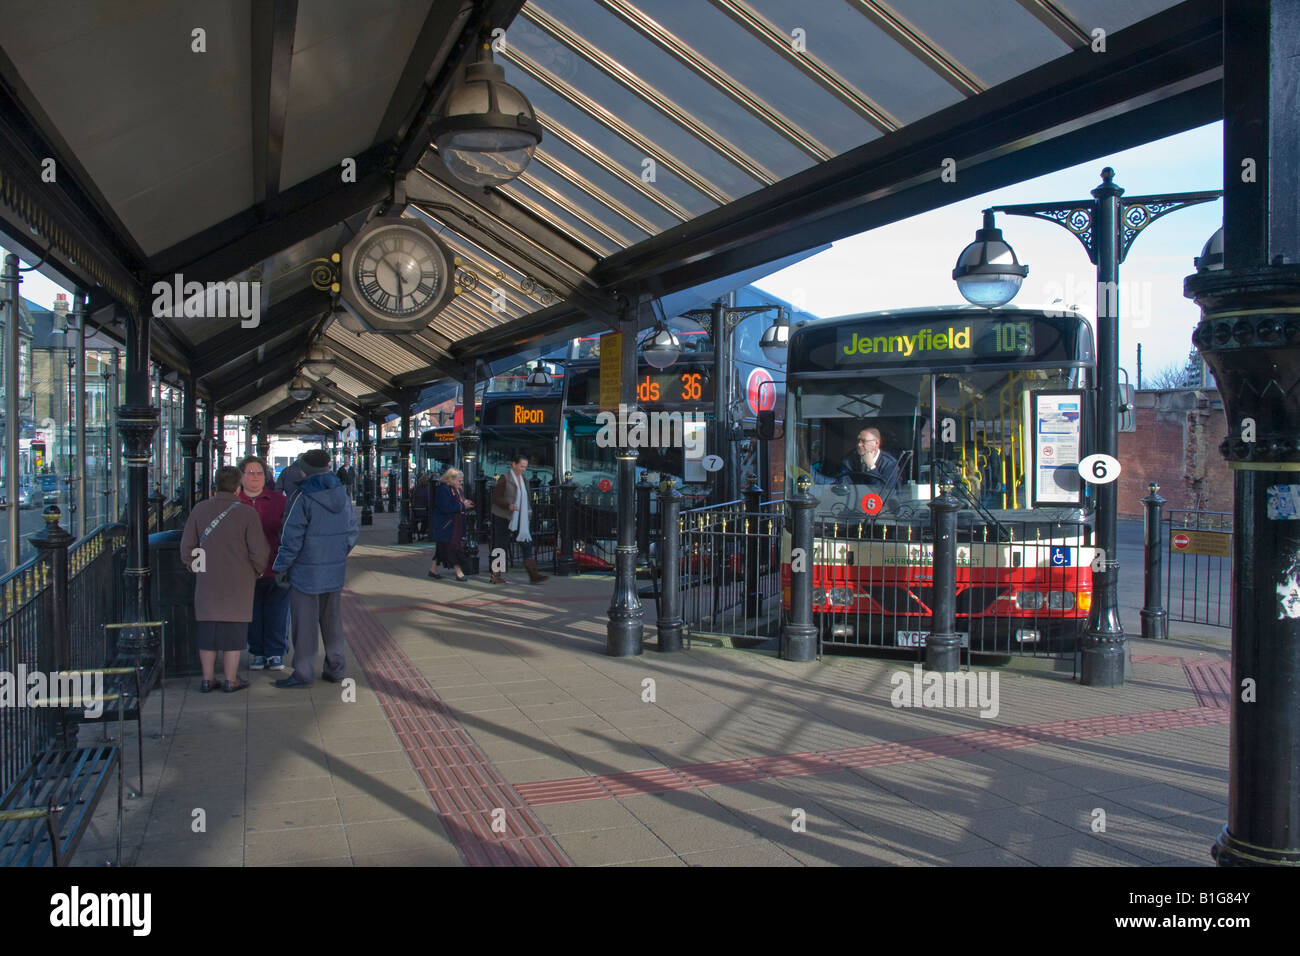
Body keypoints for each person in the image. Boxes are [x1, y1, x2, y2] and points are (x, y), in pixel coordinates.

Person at [271, 449, 359, 688]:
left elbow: (291, 537)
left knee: (305, 625)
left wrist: (281, 566)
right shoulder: (342, 494)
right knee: (332, 622)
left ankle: (303, 673)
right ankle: (336, 669)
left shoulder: (302, 496)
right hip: (334, 570)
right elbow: (352, 532)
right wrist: (337, 555)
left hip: (305, 572)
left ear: (305, 469)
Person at [179, 465, 269, 693]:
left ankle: (207, 679)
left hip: (207, 579)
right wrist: (255, 571)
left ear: (214, 486)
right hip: (239, 581)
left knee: (208, 630)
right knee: (234, 630)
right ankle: (231, 680)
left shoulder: (200, 510)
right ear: (238, 488)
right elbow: (259, 551)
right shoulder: (247, 513)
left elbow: (187, 546)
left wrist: (197, 567)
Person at [238, 456, 289, 671]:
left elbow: (288, 532)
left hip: (275, 565)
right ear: (241, 477)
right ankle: (257, 651)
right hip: (245, 569)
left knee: (277, 611)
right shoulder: (235, 502)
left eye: (259, 473)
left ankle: (275, 652)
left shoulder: (279, 501)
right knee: (252, 612)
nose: (255, 477)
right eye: (250, 473)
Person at [491, 453, 547, 585]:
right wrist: (508, 505)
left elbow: (525, 498)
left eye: (525, 467)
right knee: (500, 545)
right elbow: (496, 498)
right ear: (514, 464)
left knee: (526, 543)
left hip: (519, 518)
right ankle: (495, 575)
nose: (523, 469)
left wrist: (527, 512)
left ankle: (533, 574)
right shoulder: (505, 478)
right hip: (503, 517)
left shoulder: (524, 480)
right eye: (521, 466)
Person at [429, 468, 473, 580]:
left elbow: (457, 502)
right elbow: (446, 507)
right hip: (446, 525)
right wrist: (463, 506)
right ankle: (459, 572)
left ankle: (433, 569)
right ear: (450, 479)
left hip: (453, 524)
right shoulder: (443, 489)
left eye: (461, 480)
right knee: (452, 549)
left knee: (442, 548)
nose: (461, 482)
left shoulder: (456, 489)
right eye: (459, 480)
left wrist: (464, 503)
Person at [412, 472, 432, 540]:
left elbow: (412, 499)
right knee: (427, 519)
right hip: (425, 511)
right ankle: (423, 533)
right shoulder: (429, 489)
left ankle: (415, 532)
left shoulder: (416, 488)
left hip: (416, 511)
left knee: (414, 519)